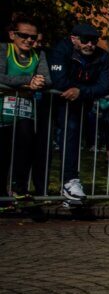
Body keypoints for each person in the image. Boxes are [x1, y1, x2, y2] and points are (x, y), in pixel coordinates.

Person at [47, 22, 109, 203]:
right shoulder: (61, 50)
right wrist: (84, 90)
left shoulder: (102, 56)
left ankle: (69, 183)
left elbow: (105, 86)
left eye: (94, 40)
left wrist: (80, 92)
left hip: (79, 105)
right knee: (42, 142)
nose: (90, 45)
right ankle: (40, 186)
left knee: (73, 137)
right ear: (73, 39)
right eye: (85, 40)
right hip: (52, 104)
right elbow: (59, 81)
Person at [1, 14, 51, 199]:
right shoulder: (3, 50)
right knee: (2, 154)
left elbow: (47, 79)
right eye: (24, 35)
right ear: (12, 35)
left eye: (33, 37)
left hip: (24, 112)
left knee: (25, 149)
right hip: (1, 111)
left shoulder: (39, 55)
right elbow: (1, 77)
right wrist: (27, 81)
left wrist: (38, 82)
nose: (29, 40)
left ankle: (19, 189)